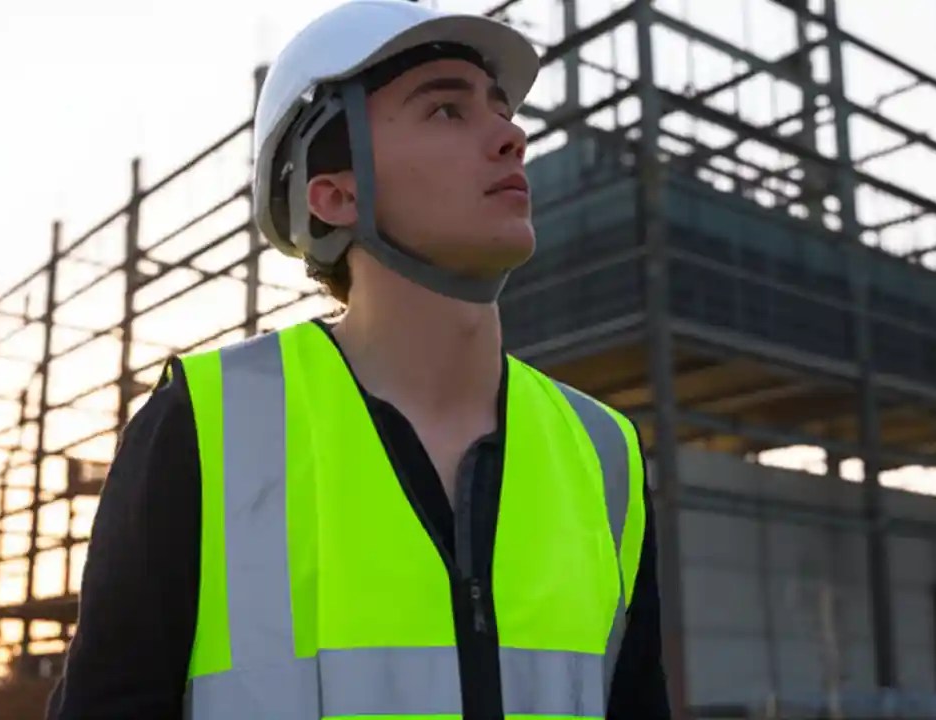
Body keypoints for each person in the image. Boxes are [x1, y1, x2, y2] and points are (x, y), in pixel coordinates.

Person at [47, 1, 670, 718]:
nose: (512, 137)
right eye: (446, 110)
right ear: (335, 194)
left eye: (501, 110)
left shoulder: (603, 455)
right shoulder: (206, 426)